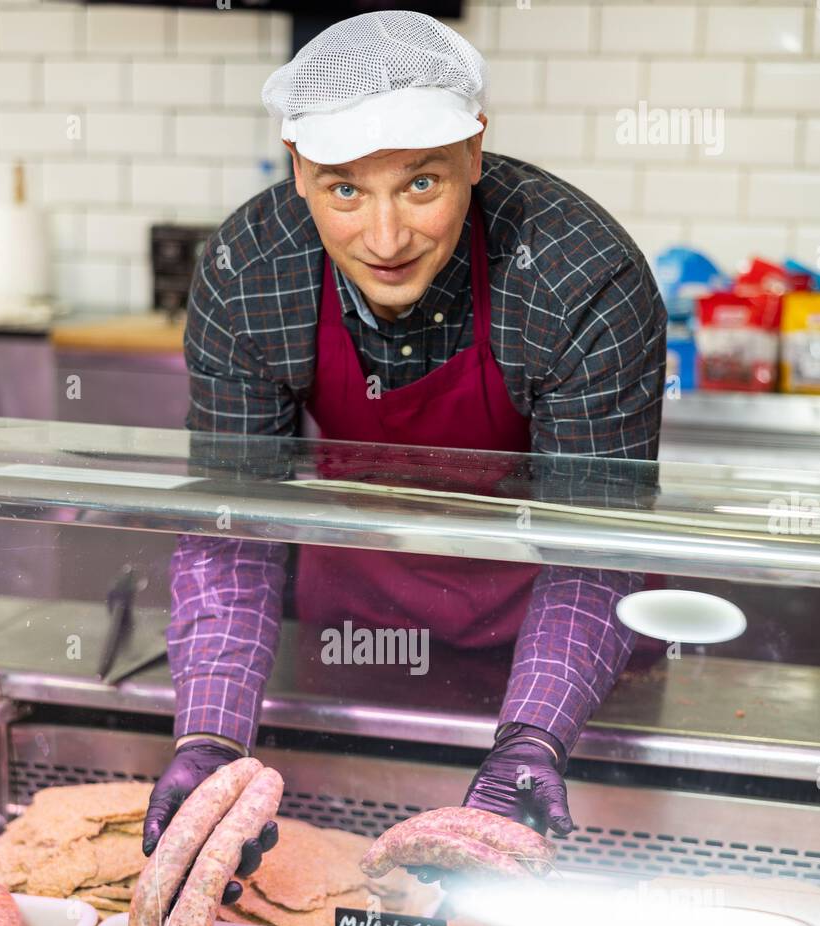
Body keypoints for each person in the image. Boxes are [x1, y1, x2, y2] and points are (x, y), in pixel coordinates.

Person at [143, 10, 667, 881]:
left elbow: (593, 536)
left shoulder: (579, 272)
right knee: (350, 897)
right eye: (345, 190)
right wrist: (209, 733)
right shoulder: (251, 266)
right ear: (298, 171)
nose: (384, 241)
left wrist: (534, 736)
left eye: (421, 185)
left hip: (565, 645)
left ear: (474, 155)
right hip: (359, 640)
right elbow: (234, 523)